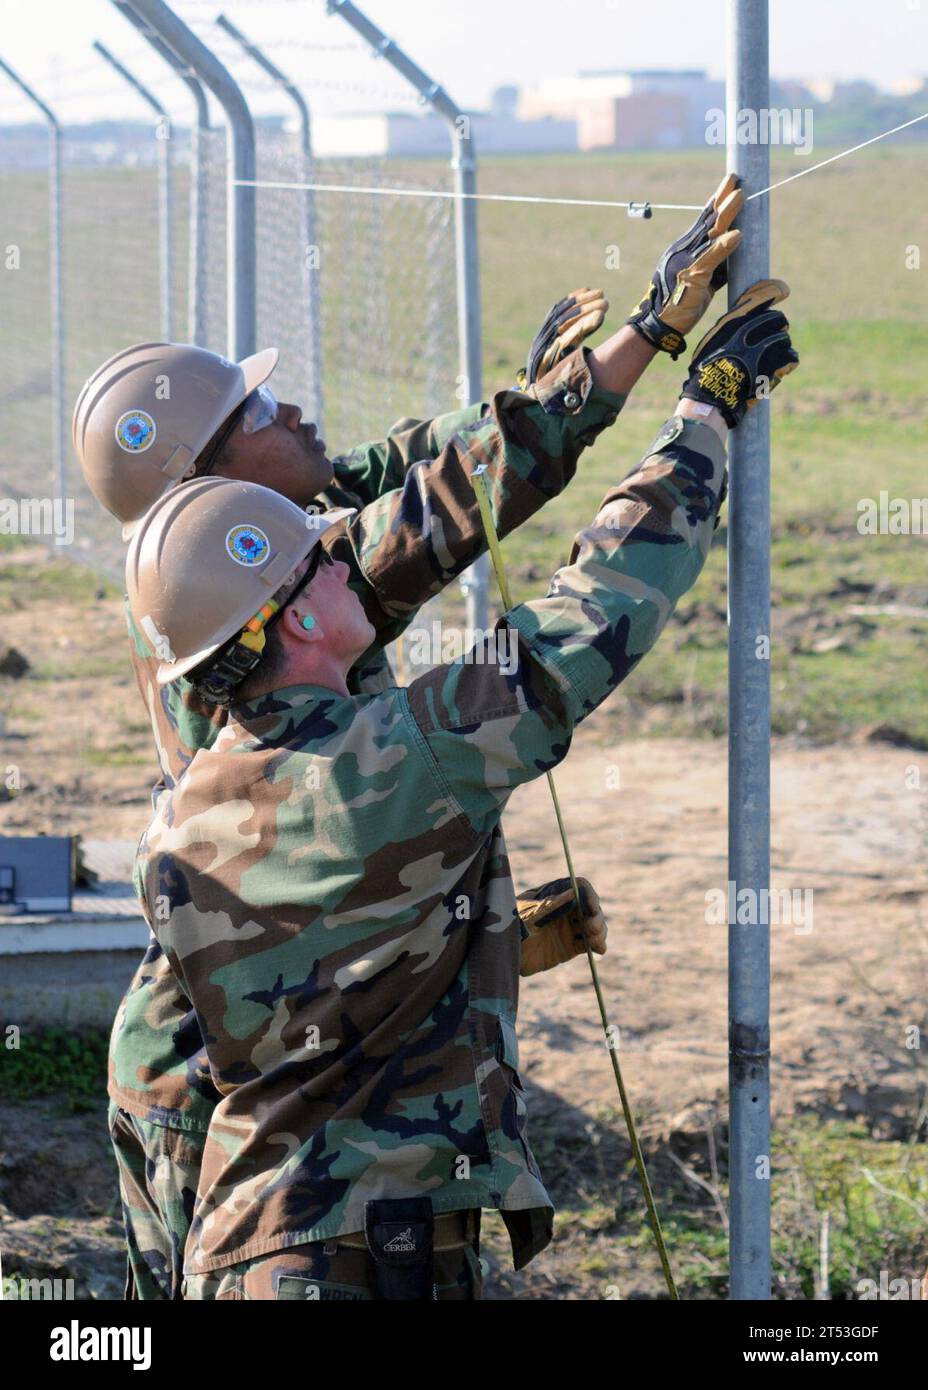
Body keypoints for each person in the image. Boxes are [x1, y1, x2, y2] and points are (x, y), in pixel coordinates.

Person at [74, 175, 745, 1297]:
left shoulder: (207, 617)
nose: (289, 416)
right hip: (278, 1143)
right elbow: (484, 550)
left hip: (257, 1059)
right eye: (257, 415)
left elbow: (394, 478)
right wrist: (689, 394)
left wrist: (583, 375)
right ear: (212, 488)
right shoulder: (348, 708)